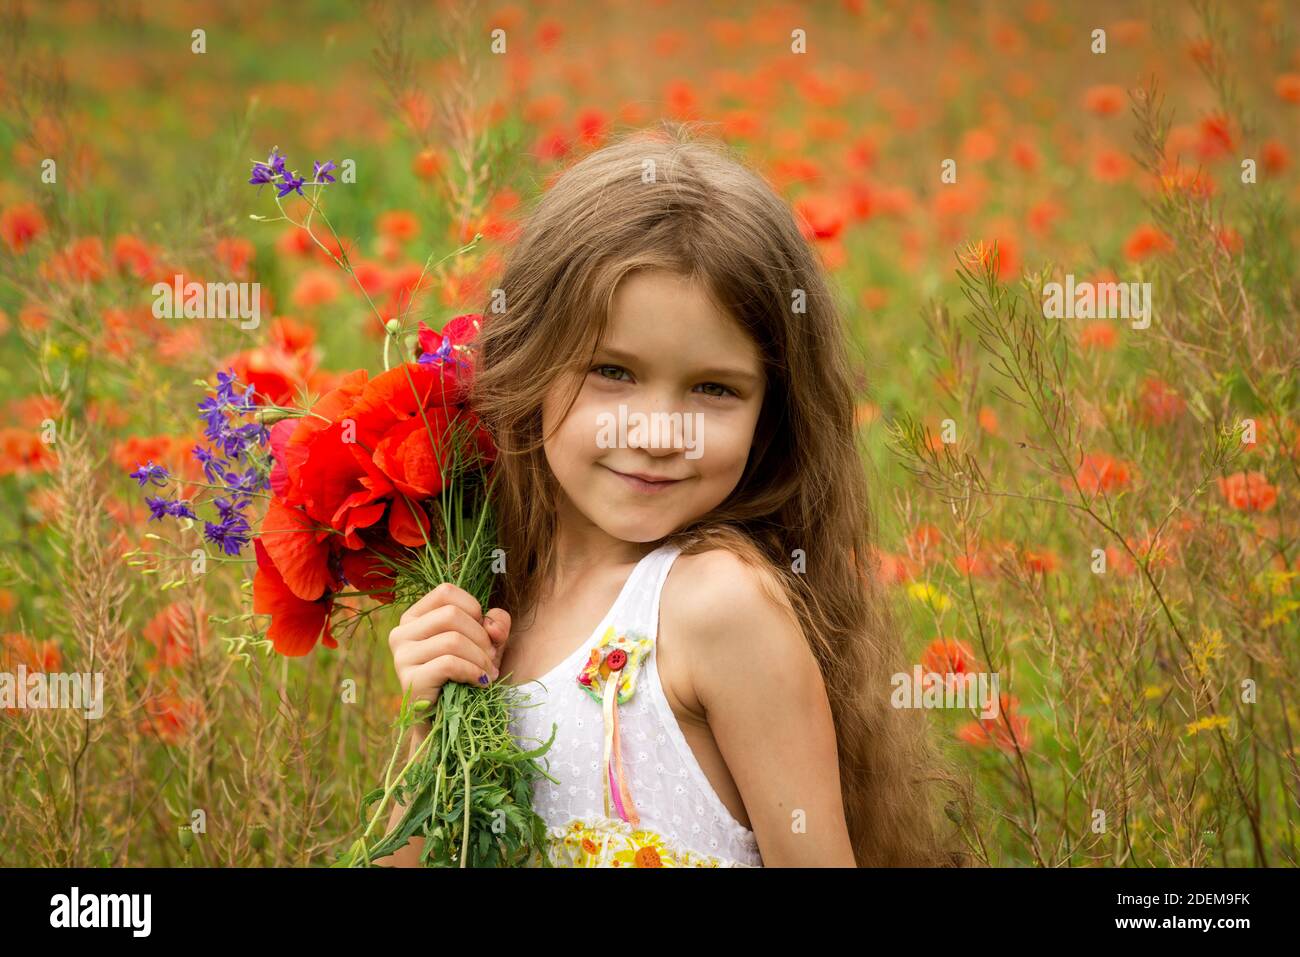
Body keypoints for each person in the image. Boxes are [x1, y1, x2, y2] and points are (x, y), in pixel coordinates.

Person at [382, 121, 955, 868]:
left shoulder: (716, 606)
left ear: (770, 413)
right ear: (527, 360)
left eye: (713, 388)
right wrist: (431, 722)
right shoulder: (495, 588)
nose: (656, 431)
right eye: (613, 371)